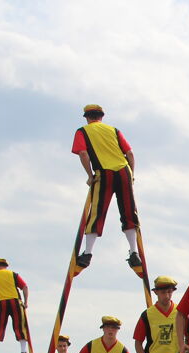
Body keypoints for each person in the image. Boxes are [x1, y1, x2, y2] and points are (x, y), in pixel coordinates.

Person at [72, 104, 142, 276]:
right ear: (101, 117)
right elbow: (130, 154)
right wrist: (131, 175)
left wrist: (90, 175)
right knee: (128, 211)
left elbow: (83, 154)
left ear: (87, 117)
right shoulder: (114, 130)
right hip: (123, 171)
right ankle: (134, 252)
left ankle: (87, 253)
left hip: (103, 173)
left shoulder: (83, 131)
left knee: (97, 211)